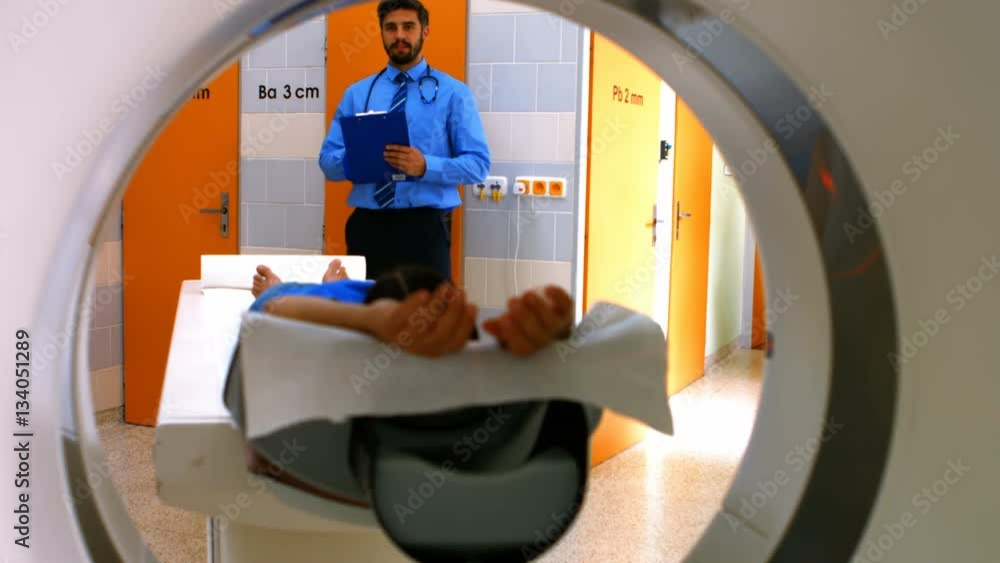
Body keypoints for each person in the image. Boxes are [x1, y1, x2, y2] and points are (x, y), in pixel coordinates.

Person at [318, 0, 491, 282]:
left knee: (427, 310)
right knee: (365, 308)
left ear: (425, 31)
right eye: (391, 28)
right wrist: (358, 159)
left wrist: (426, 166)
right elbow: (327, 163)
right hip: (368, 228)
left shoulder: (454, 94)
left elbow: (478, 165)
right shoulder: (357, 94)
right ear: (382, 33)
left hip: (425, 229)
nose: (399, 35)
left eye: (408, 27)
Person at [249, 259, 575, 357]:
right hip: (359, 301)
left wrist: (367, 318)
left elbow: (274, 308)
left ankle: (335, 283)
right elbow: (273, 305)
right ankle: (335, 283)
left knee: (332, 292)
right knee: (325, 291)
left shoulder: (455, 342)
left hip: (358, 301)